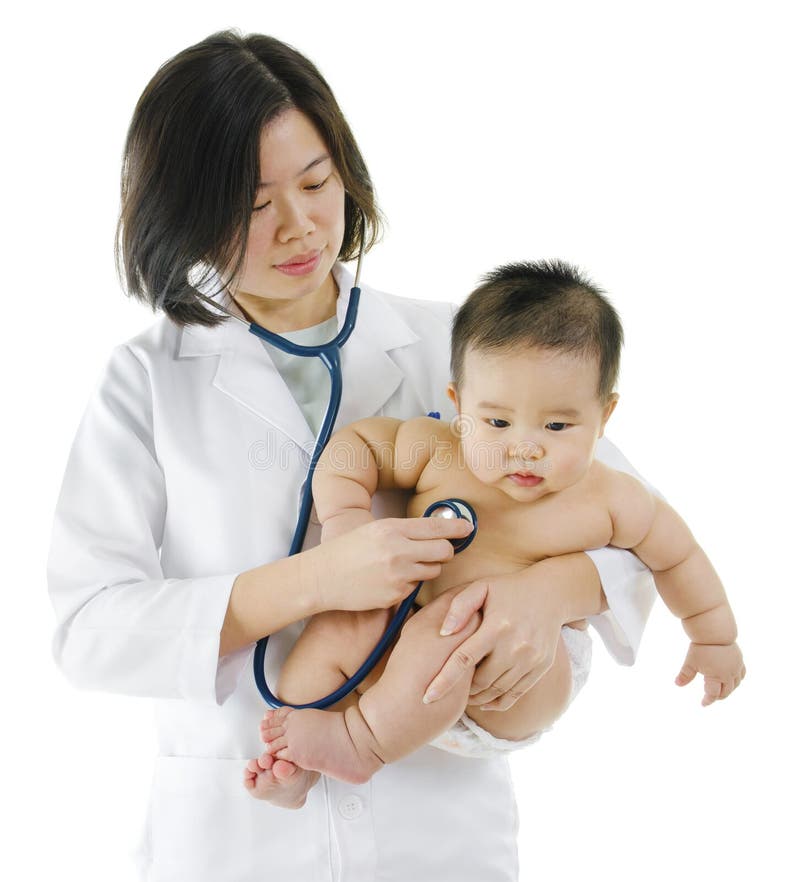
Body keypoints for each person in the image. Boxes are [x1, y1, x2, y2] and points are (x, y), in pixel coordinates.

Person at [47, 30, 655, 882]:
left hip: (439, 832)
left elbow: (639, 535)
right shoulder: (145, 382)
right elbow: (87, 629)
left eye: (316, 183)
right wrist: (315, 582)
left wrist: (546, 591)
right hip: (238, 835)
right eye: (252, 205)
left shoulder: (462, 344)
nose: (298, 228)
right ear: (182, 209)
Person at [258, 260, 746, 785]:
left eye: (557, 425)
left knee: (450, 623)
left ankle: (360, 745)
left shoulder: (612, 499)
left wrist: (714, 638)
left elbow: (680, 557)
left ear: (604, 416)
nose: (525, 447)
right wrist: (345, 519)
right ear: (458, 404)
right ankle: (296, 769)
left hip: (516, 684)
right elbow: (355, 450)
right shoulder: (438, 450)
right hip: (401, 673)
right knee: (341, 626)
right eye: (496, 422)